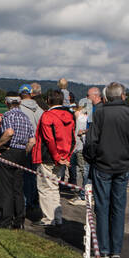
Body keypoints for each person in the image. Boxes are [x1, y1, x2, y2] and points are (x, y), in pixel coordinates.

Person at [82, 82, 129, 258]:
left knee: (102, 207)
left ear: (107, 96)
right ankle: (116, 248)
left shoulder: (100, 112)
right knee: (118, 207)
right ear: (123, 95)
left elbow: (91, 142)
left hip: (103, 165)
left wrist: (92, 159)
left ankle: (103, 248)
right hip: (122, 166)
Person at [33, 90, 75, 227]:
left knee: (45, 188)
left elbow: (49, 139)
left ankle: (48, 218)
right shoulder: (70, 115)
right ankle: (57, 217)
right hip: (63, 156)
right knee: (54, 187)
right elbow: (73, 138)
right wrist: (66, 156)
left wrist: (57, 157)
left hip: (48, 157)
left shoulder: (47, 115)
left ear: (48, 101)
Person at [0, 96, 34, 229]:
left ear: (6, 103)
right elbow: (32, 141)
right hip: (22, 153)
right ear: (20, 103)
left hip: (9, 151)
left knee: (5, 188)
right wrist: (25, 152)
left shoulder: (8, 116)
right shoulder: (26, 118)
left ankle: (6, 220)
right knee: (18, 188)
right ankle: (19, 219)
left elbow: (9, 132)